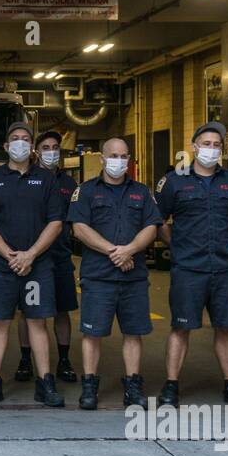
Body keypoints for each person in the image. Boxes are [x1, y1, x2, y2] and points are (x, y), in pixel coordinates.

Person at [153, 122, 228, 409]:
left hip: (224, 268)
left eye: (216, 145)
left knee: (225, 327)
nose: (211, 149)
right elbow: (158, 221)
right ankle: (171, 385)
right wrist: (177, 245)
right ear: (194, 147)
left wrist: (225, 239)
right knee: (180, 327)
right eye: (206, 144)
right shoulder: (173, 182)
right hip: (188, 268)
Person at [67, 138, 162, 409]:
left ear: (129, 159)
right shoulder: (85, 191)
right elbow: (79, 228)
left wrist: (130, 250)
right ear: (102, 158)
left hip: (134, 277)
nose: (118, 161)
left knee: (133, 333)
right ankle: (90, 387)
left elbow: (152, 227)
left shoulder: (142, 192)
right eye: (113, 155)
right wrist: (115, 252)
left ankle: (132, 387)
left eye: (123, 156)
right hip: (98, 277)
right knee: (92, 334)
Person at [0, 121, 67, 408]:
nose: (20, 143)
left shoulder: (47, 179)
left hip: (37, 267)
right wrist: (10, 255)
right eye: (15, 138)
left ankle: (45, 383)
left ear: (32, 147)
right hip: (1, 267)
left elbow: (56, 222)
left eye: (26, 139)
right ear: (6, 146)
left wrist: (30, 255)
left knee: (37, 322)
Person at [14, 129, 79, 383]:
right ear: (36, 152)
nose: (51, 152)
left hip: (60, 257)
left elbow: (75, 222)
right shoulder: (27, 178)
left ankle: (64, 361)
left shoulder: (69, 185)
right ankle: (25, 360)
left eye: (55, 148)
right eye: (46, 148)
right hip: (33, 259)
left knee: (62, 310)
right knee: (28, 311)